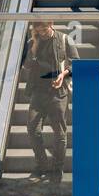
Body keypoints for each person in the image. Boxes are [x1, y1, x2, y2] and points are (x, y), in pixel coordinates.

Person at [20, 21, 78, 186]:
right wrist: (35, 45)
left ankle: (57, 170)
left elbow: (76, 63)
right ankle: (42, 165)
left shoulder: (65, 39)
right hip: (38, 92)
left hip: (58, 93)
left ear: (51, 25)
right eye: (39, 30)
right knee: (32, 129)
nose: (43, 33)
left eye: (45, 30)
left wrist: (64, 74)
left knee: (60, 134)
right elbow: (27, 65)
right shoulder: (33, 42)